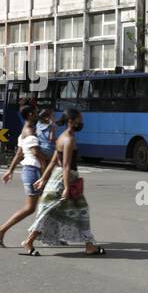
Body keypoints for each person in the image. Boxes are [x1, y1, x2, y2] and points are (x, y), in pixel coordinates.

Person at [21, 108, 105, 257]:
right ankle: (29, 240)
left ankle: (89, 245)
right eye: (80, 120)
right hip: (64, 180)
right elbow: (65, 165)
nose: (82, 123)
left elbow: (53, 161)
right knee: (51, 211)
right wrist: (66, 187)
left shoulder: (62, 137)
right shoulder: (68, 139)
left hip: (59, 178)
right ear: (71, 121)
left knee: (75, 211)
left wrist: (43, 178)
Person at [0, 105, 47, 246]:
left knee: (50, 203)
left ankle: (51, 234)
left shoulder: (23, 132)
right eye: (35, 112)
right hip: (33, 170)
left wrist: (10, 170)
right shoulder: (30, 132)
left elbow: (19, 153)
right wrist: (45, 169)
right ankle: (1, 229)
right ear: (30, 114)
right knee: (31, 208)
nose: (37, 115)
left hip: (28, 170)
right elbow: (36, 153)